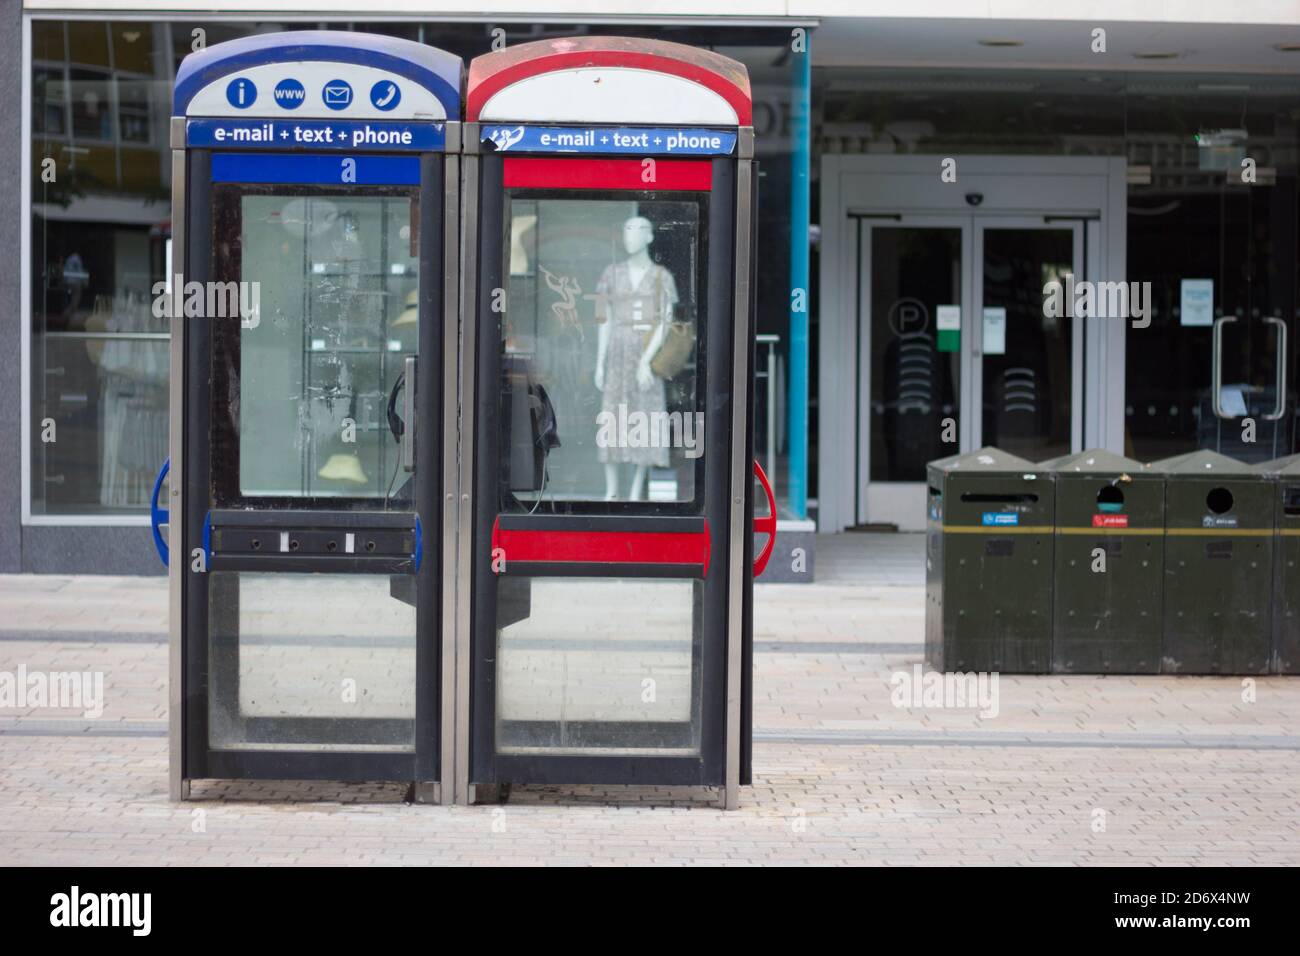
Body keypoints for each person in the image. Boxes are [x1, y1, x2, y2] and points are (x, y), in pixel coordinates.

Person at [593, 216, 676, 501]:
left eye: (638, 230)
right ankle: (612, 490)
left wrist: (646, 361)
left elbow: (666, 321)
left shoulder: (661, 277)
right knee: (613, 415)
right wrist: (599, 361)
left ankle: (633, 490)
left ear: (650, 237)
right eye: (626, 229)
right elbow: (604, 319)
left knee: (645, 415)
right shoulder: (610, 274)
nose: (631, 236)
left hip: (646, 352)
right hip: (617, 351)